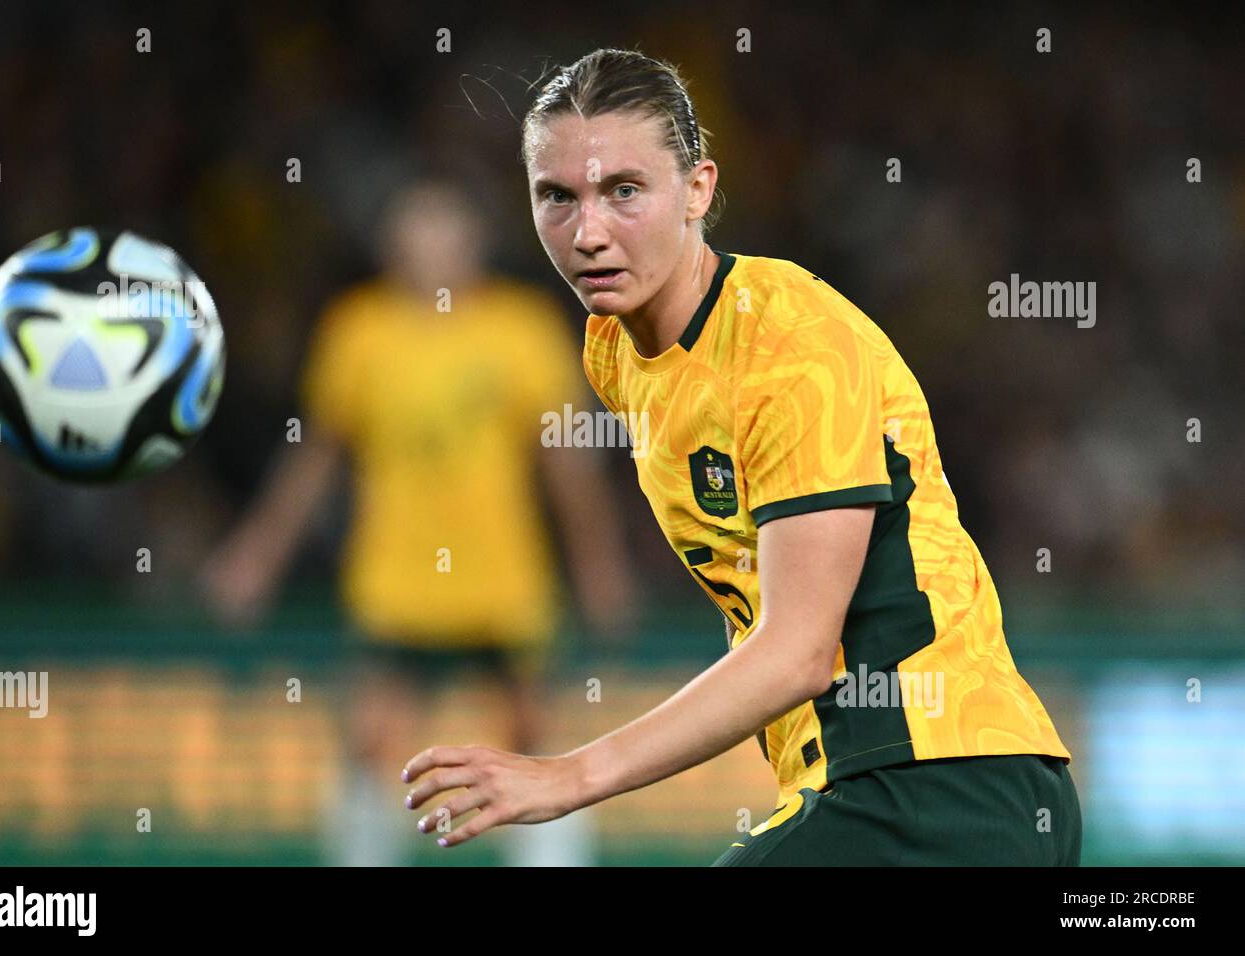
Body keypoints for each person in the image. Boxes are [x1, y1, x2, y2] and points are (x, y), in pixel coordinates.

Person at [401, 49, 1082, 866]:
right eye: (558, 197)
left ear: (698, 189)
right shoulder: (614, 351)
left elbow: (797, 651)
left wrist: (568, 775)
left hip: (942, 785)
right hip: (864, 790)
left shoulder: (792, 345)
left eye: (625, 191)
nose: (588, 233)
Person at [203, 178, 636, 866]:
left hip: (502, 579)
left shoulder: (520, 329)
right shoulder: (360, 330)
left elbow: (569, 465)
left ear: (475, 242)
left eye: (446, 230)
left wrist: (599, 566)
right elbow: (316, 457)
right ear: (390, 245)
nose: (432, 247)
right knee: (374, 741)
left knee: (532, 736)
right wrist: (256, 555)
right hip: (398, 577)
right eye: (417, 230)